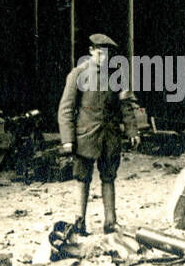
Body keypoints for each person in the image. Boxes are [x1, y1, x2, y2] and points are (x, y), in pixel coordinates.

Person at [58, 33, 140, 234]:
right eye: (100, 53)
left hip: (110, 137)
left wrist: (132, 131)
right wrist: (67, 140)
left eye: (107, 54)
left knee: (109, 177)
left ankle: (110, 222)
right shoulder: (78, 74)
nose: (104, 57)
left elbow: (126, 105)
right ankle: (79, 222)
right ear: (91, 51)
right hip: (85, 136)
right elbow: (66, 109)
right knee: (82, 178)